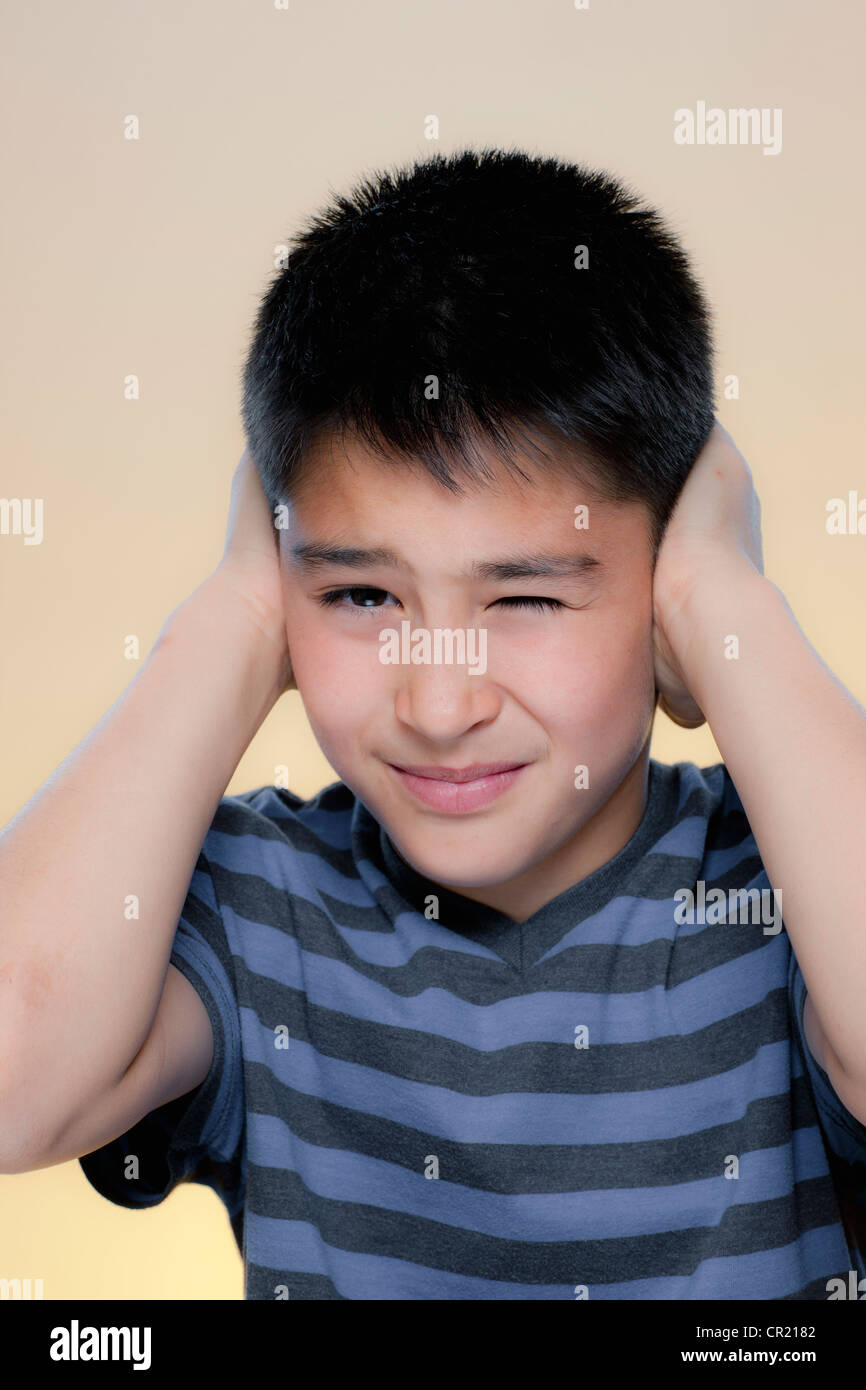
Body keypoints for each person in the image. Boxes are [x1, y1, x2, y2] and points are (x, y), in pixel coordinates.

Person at [2, 147, 865, 1300]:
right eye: (361, 595)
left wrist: (728, 607)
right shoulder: (262, 910)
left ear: (658, 592)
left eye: (526, 598)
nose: (440, 702)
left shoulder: (786, 896)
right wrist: (228, 621)